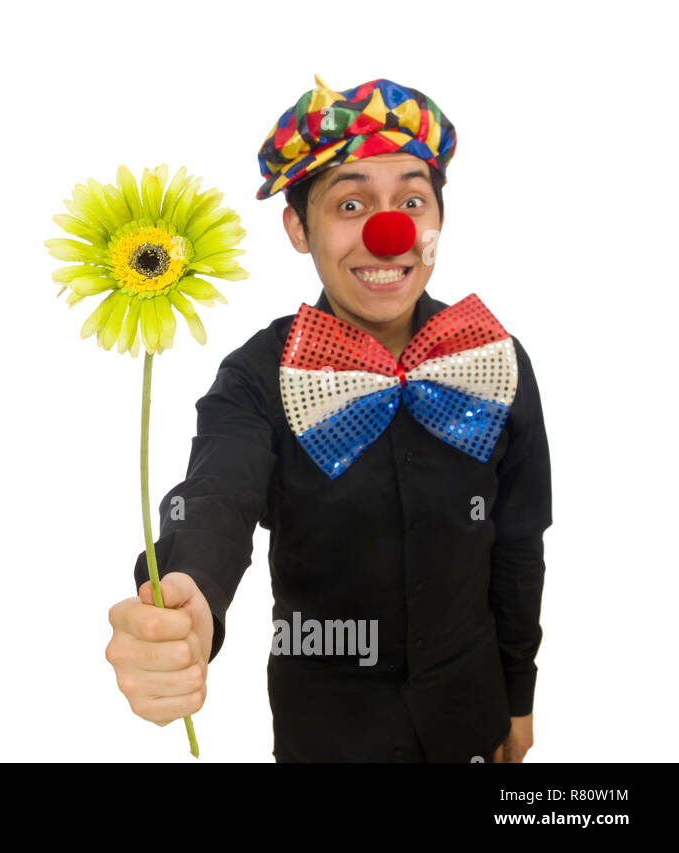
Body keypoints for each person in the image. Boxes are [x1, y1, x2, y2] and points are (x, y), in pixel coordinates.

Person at [104, 75, 551, 763]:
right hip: (330, 735)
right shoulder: (259, 376)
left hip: (472, 718)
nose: (388, 229)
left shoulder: (490, 359)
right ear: (297, 227)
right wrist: (187, 593)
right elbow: (216, 493)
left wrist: (518, 698)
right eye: (351, 202)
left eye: (410, 199)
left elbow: (519, 545)